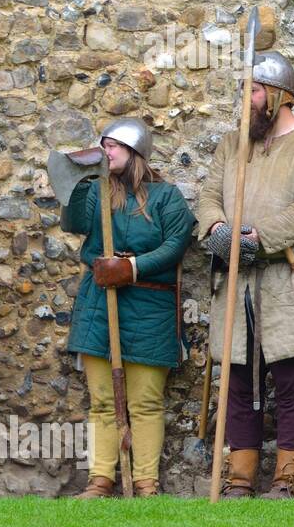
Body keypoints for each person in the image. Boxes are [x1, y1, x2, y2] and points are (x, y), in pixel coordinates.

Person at [198, 51, 294, 498]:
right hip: (237, 280)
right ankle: (240, 475)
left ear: (279, 96)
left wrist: (260, 237)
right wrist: (218, 230)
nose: (247, 99)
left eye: (254, 91)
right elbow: (206, 197)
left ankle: (287, 475)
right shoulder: (231, 144)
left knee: (292, 381)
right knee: (239, 378)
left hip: (288, 279)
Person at [63, 118, 196, 498]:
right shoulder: (97, 192)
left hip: (149, 304)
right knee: (103, 400)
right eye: (102, 145)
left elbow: (176, 243)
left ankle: (145, 482)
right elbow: (73, 222)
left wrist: (132, 267)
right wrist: (78, 181)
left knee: (145, 402)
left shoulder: (165, 196)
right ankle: (101, 479)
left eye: (113, 146)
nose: (106, 151)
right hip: (98, 304)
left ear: (134, 151)